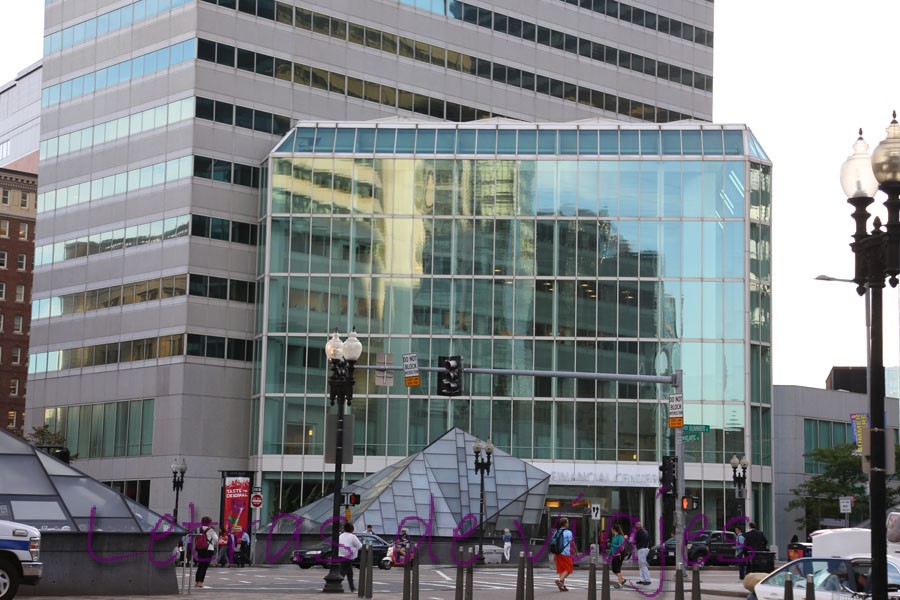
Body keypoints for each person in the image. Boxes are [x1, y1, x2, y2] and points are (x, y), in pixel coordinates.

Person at [194, 516, 218, 588]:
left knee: (200, 566)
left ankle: (197, 582)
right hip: (208, 549)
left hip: (200, 549)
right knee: (204, 567)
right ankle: (201, 582)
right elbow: (216, 539)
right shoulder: (210, 530)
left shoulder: (199, 529)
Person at [339, 522, 363, 592]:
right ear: (352, 529)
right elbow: (360, 546)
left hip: (340, 555)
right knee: (342, 572)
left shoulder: (341, 535)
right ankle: (337, 584)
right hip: (349, 557)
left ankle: (352, 587)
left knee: (349, 572)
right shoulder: (353, 536)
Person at [553, 517, 576, 592]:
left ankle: (562, 586)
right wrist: (576, 552)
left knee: (561, 570)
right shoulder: (568, 532)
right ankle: (560, 581)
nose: (568, 524)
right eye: (568, 522)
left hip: (558, 553)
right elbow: (572, 543)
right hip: (565, 553)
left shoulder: (556, 532)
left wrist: (554, 554)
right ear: (565, 524)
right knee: (569, 569)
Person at [608, 524, 629, 589]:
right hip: (614, 555)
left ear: (614, 530)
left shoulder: (620, 537)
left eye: (612, 529)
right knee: (614, 570)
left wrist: (611, 544)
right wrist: (609, 555)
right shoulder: (614, 536)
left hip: (619, 555)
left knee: (617, 570)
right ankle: (622, 579)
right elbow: (612, 547)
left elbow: (620, 547)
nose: (611, 530)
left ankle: (619, 584)